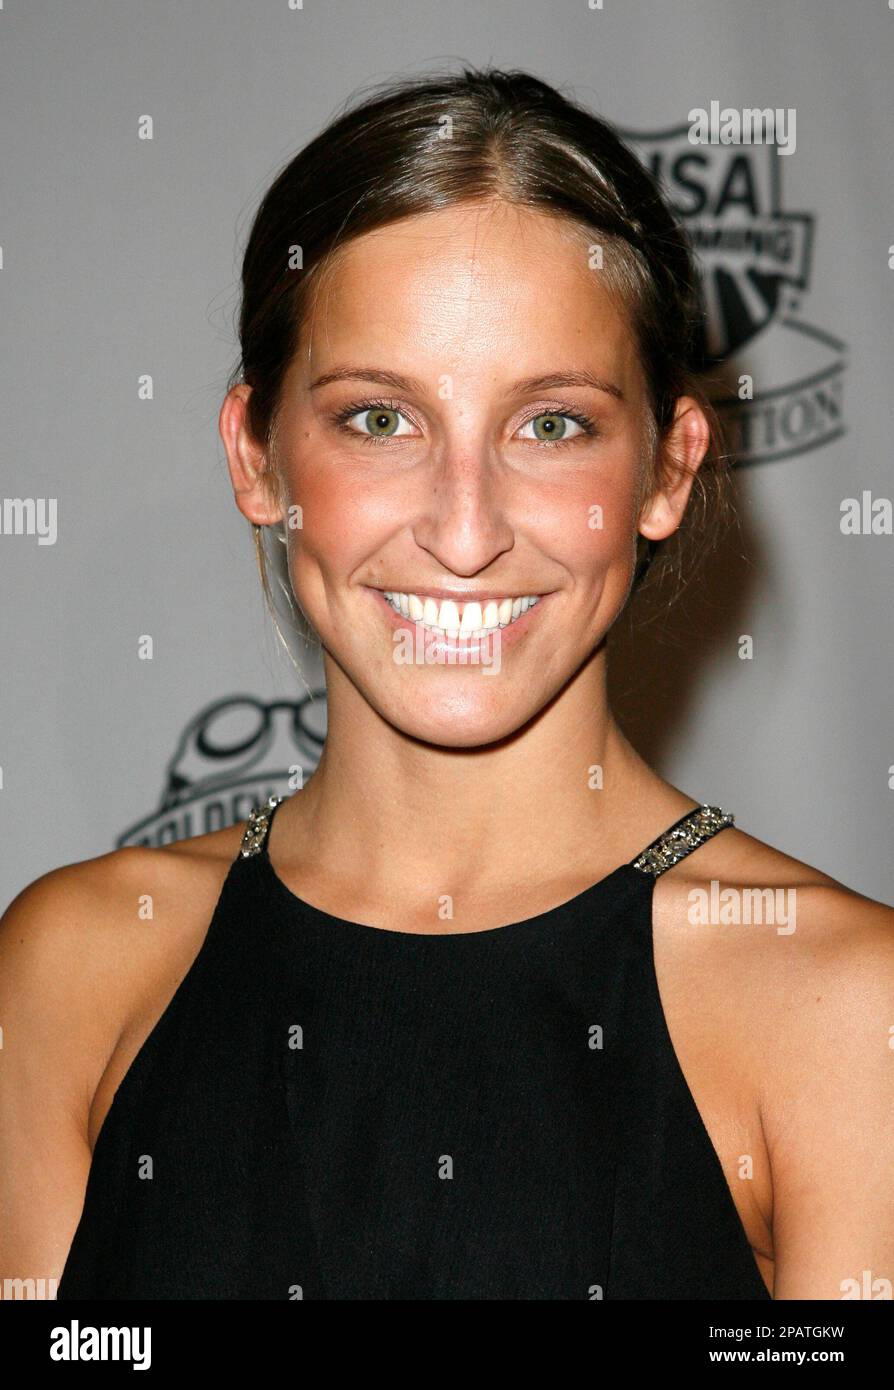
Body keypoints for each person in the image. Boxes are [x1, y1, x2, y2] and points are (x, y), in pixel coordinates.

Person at [2, 66, 892, 1302]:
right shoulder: (74, 965)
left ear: (668, 470)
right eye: (379, 419)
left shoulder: (846, 1009)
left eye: (552, 424)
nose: (464, 530)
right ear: (256, 454)